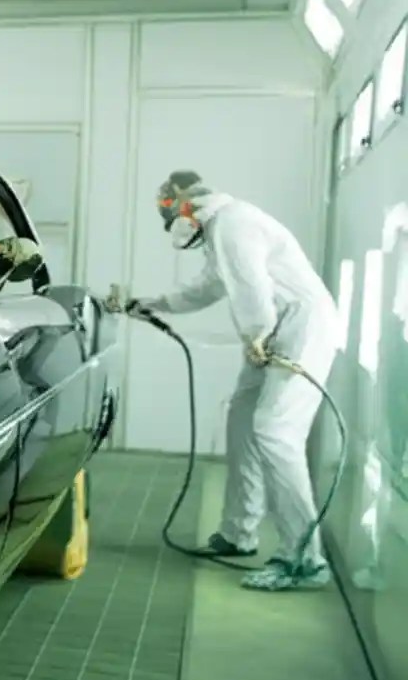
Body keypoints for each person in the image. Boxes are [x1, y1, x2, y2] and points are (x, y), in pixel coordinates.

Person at [130, 170, 339, 592]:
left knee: (275, 431)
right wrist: (150, 304)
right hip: (277, 327)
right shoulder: (221, 229)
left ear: (185, 206)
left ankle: (304, 559)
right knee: (243, 416)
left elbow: (252, 289)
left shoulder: (232, 223)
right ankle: (238, 532)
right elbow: (208, 288)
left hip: (300, 326)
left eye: (170, 213)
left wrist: (256, 334)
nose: (171, 222)